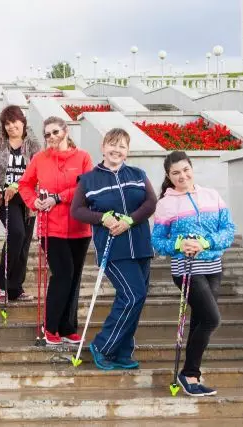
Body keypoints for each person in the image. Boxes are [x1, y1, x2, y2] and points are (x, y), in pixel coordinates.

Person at [71, 128, 157, 370]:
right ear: (103, 146)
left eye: (122, 146)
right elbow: (77, 210)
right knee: (133, 295)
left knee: (135, 299)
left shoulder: (138, 174)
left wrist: (130, 220)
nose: (116, 150)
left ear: (127, 151)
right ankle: (103, 345)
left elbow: (151, 202)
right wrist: (102, 218)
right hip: (113, 248)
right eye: (112, 144)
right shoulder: (89, 179)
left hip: (140, 245)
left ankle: (122, 351)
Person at [152, 151, 234, 396]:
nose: (182, 176)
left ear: (192, 168)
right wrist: (179, 244)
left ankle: (191, 375)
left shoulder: (212, 196)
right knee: (212, 319)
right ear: (169, 175)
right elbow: (157, 241)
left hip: (213, 268)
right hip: (186, 269)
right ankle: (189, 373)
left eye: (185, 170)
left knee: (201, 320)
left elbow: (228, 230)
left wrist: (206, 243)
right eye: (175, 173)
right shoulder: (166, 204)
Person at [19, 116, 93, 345]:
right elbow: (24, 184)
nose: (51, 137)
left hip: (80, 228)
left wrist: (58, 197)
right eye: (47, 134)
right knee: (63, 274)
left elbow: (86, 186)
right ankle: (50, 326)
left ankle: (67, 327)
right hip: (51, 228)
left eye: (54, 132)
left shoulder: (83, 157)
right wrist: (34, 202)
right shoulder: (40, 159)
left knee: (74, 277)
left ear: (66, 131)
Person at [0, 105, 41, 302]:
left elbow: (38, 173)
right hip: (5, 198)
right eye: (6, 123)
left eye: (14, 122)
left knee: (23, 244)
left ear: (23, 122)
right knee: (17, 233)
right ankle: (0, 284)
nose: (11, 126)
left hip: (28, 199)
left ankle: (15, 288)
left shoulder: (33, 146)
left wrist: (18, 184)